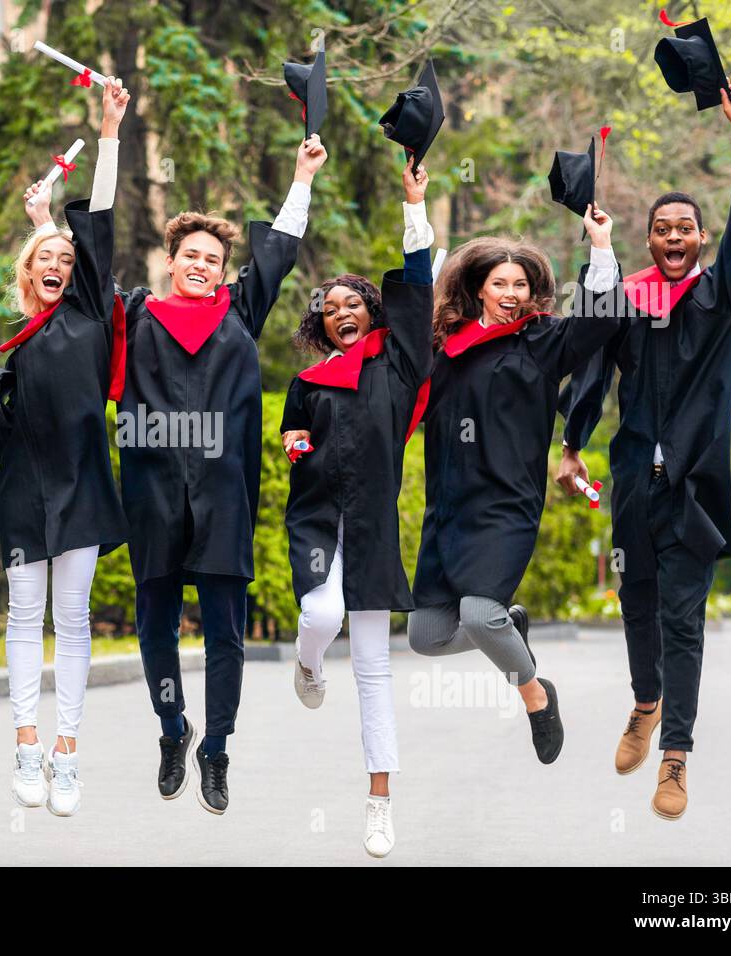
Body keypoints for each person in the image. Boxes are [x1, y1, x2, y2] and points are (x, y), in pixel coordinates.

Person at [557, 83, 731, 820]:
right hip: (632, 483)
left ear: (702, 240)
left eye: (686, 227)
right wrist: (572, 444)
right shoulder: (631, 299)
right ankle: (644, 704)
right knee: (636, 605)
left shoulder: (724, 300)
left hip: (695, 488)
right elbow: (587, 359)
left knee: (682, 618)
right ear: (649, 240)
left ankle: (674, 754)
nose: (674, 236)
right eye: (661, 228)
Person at [116, 134, 327, 814]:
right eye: (192, 256)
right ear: (170, 260)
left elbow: (280, 254)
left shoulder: (239, 312)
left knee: (226, 634)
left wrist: (301, 175)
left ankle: (216, 749)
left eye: (213, 258)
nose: (202, 265)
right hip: (152, 493)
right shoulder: (136, 316)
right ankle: (173, 728)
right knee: (156, 626)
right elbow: (85, 267)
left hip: (223, 495)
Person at [408, 203, 624, 765]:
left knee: (480, 614)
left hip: (507, 504)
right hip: (449, 506)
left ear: (532, 293)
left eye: (520, 285)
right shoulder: (443, 345)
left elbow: (598, 324)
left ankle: (533, 694)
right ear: (479, 289)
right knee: (425, 637)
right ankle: (514, 625)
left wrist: (600, 247)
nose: (510, 293)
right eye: (499, 283)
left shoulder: (543, 341)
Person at [0, 78, 132, 816]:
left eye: (68, 260)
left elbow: (96, 217)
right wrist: (39, 221)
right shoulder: (17, 337)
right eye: (46, 258)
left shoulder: (93, 312)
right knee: (21, 618)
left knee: (73, 622)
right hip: (24, 489)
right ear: (29, 270)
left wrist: (109, 129)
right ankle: (25, 744)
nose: (59, 264)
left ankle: (68, 752)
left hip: (85, 487)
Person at [280, 157, 434, 857]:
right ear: (321, 325)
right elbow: (293, 429)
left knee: (375, 668)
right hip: (316, 517)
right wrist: (294, 440)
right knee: (320, 614)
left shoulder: (396, 368)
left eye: (354, 305)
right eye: (329, 308)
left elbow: (420, 293)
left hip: (370, 524)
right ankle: (308, 664)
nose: (342, 312)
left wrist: (413, 209)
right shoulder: (307, 380)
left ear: (373, 314)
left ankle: (380, 802)